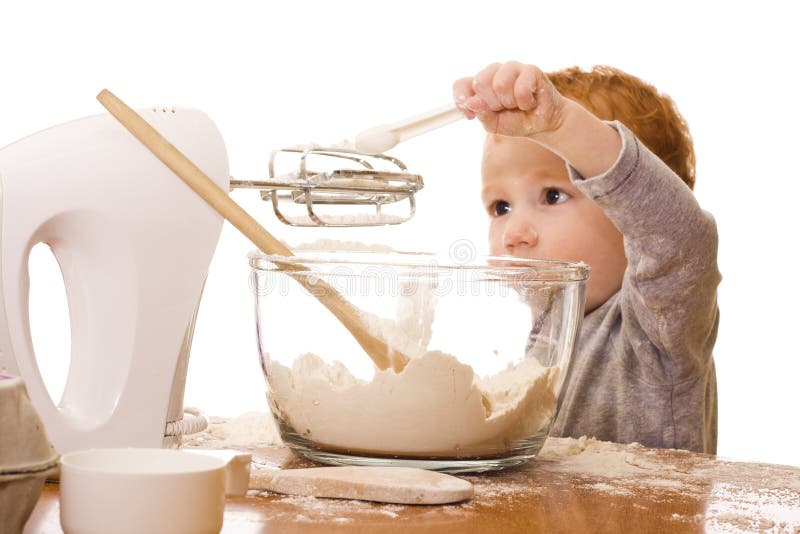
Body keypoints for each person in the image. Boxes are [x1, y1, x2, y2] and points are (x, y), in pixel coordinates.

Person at [453, 62, 720, 454]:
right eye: (501, 207)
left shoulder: (658, 328)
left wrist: (562, 126)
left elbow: (681, 236)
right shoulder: (552, 332)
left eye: (552, 196)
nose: (513, 235)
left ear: (631, 211)